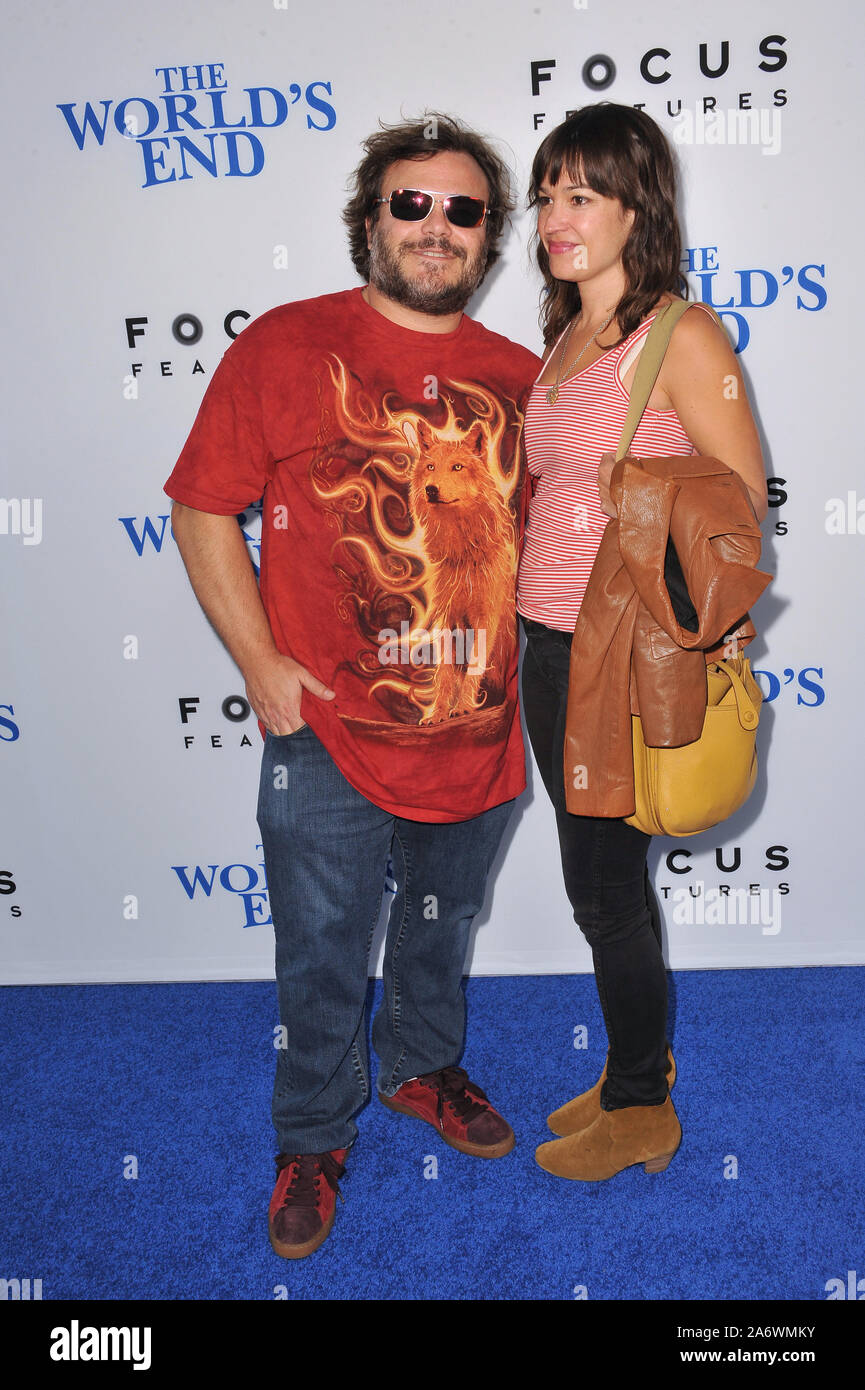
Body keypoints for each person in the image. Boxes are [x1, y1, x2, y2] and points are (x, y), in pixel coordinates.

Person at [164, 114, 540, 1257]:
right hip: (325, 729)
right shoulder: (283, 347)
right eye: (410, 204)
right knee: (322, 949)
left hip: (477, 731)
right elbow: (199, 507)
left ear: (488, 237)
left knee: (441, 926)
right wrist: (259, 663)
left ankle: (423, 1070)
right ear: (369, 221)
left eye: (463, 210)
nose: (436, 228)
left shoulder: (523, 380)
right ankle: (313, 1132)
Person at [516, 104, 768, 1181]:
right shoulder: (568, 329)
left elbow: (742, 509)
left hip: (614, 655)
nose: (555, 217)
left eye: (582, 195)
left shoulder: (683, 333)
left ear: (637, 207)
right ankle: (641, 1065)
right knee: (599, 880)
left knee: (605, 891)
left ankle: (639, 1109)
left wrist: (695, 627)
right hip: (547, 644)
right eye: (547, 193)